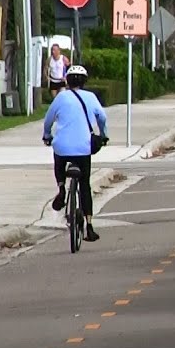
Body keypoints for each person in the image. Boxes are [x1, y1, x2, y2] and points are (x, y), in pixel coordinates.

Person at [42, 64, 108, 242]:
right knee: (84, 184)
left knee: (58, 156)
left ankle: (61, 188)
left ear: (67, 81)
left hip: (62, 147)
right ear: (84, 82)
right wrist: (103, 135)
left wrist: (47, 136)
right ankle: (89, 226)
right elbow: (102, 117)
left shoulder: (61, 97)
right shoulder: (91, 97)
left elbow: (48, 120)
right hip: (83, 148)